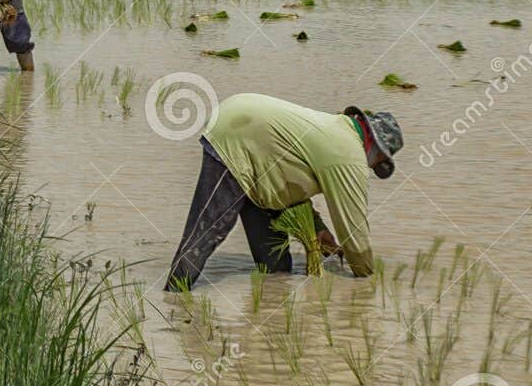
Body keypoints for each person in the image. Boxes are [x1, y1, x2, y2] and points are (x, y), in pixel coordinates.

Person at [164, 93, 403, 290]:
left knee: (275, 269)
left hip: (263, 167)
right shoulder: (348, 154)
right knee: (209, 231)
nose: (372, 167)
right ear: (376, 148)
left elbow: (291, 180)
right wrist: (367, 280)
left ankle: (268, 317)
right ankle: (173, 297)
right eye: (377, 162)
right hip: (236, 133)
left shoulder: (336, 134)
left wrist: (319, 230)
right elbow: (354, 232)